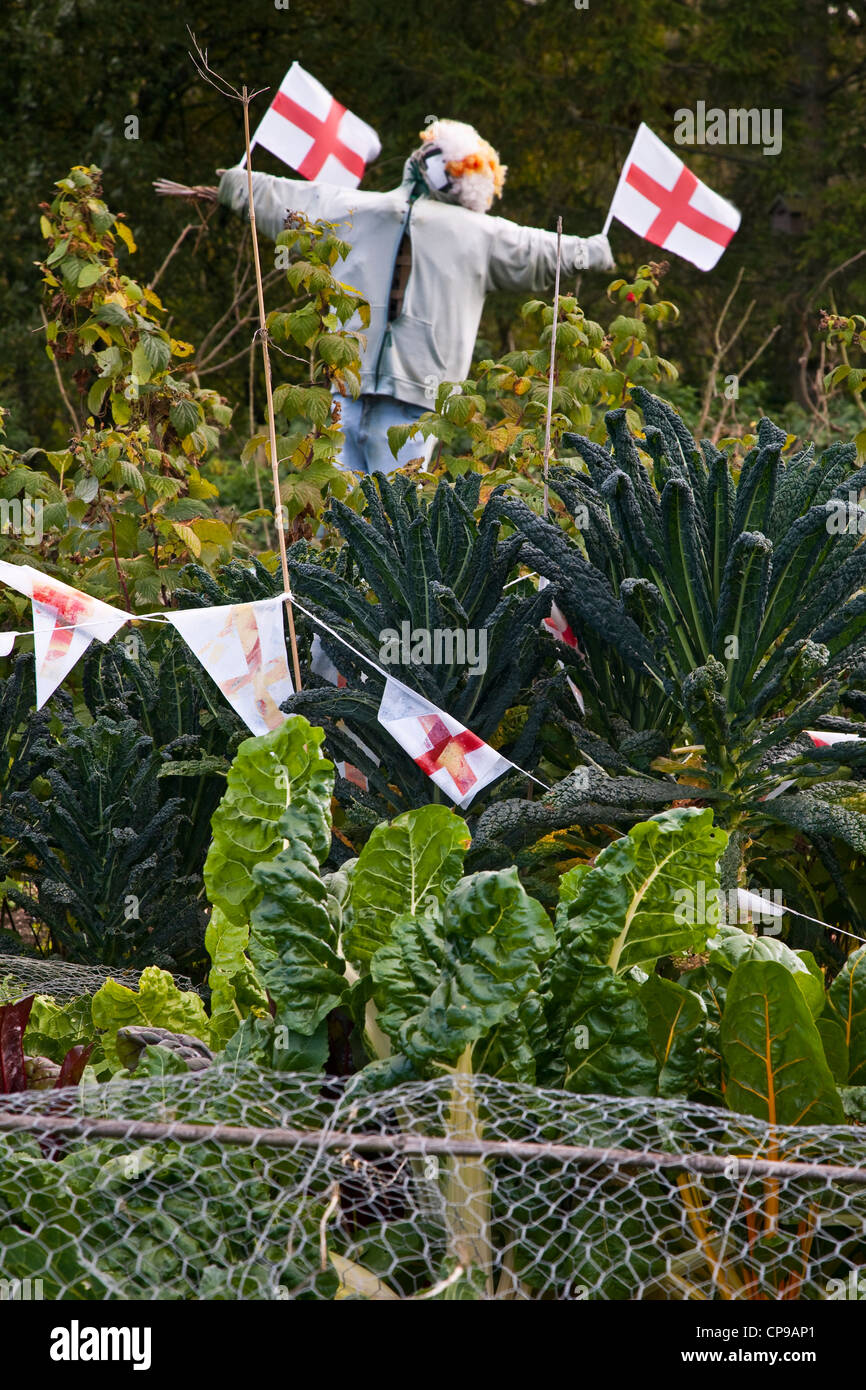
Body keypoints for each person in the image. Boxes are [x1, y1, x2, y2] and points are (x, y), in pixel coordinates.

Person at [218, 119, 615, 475]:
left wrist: (236, 186)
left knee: (337, 513)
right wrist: (595, 250)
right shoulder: (480, 234)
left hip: (345, 382)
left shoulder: (355, 208)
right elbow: (543, 249)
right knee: (397, 515)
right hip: (418, 393)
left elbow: (293, 203)